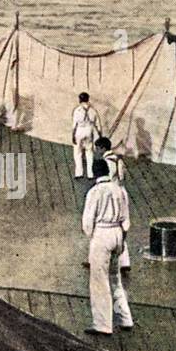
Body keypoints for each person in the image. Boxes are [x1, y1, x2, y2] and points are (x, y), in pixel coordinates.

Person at [82, 168, 134, 336]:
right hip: (118, 233)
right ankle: (125, 318)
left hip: (102, 234)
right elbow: (126, 219)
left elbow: (88, 221)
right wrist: (121, 237)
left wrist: (93, 237)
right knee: (115, 278)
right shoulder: (119, 189)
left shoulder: (95, 192)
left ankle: (103, 324)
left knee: (99, 280)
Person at [93, 136, 130, 271]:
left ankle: (99, 259)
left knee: (101, 224)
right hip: (121, 193)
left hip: (110, 194)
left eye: (97, 148)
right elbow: (122, 177)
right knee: (121, 228)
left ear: (103, 148)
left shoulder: (105, 162)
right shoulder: (118, 160)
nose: (96, 151)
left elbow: (105, 179)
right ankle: (124, 261)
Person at [72, 92, 102, 179]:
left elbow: (74, 125)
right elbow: (98, 124)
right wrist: (100, 134)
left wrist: (73, 135)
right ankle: (90, 174)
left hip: (79, 131)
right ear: (88, 99)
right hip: (89, 130)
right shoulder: (93, 110)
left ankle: (79, 173)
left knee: (77, 152)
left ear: (80, 100)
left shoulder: (77, 110)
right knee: (89, 151)